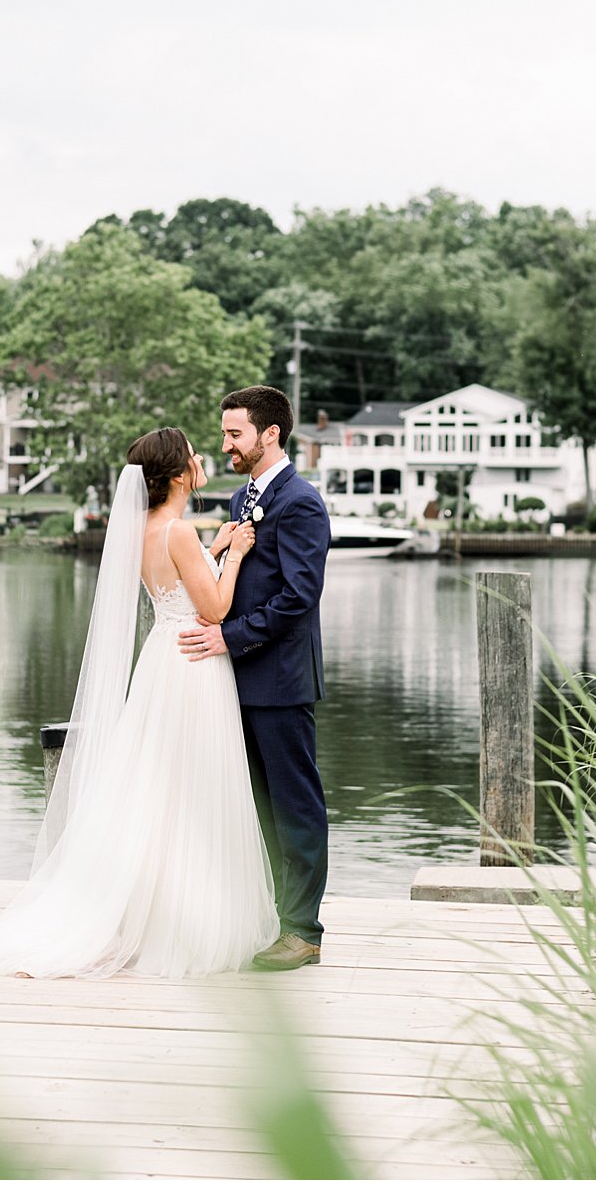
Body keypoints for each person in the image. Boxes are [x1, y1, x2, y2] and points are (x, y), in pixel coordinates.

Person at [0, 428, 275, 979]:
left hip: (159, 663)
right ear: (179, 476)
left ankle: (142, 912)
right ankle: (182, 920)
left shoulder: (144, 530)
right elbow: (216, 609)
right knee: (190, 792)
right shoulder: (177, 531)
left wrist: (214, 548)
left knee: (156, 788)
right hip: (193, 666)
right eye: (195, 456)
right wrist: (239, 554)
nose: (202, 459)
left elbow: (175, 584)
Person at [179, 385, 332, 972]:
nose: (226, 445)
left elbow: (300, 596)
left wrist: (229, 636)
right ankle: (272, 917)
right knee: (256, 807)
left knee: (295, 805)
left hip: (282, 680)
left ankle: (303, 930)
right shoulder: (250, 496)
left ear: (270, 434)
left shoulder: (300, 502)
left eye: (235, 434)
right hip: (240, 679)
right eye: (224, 434)